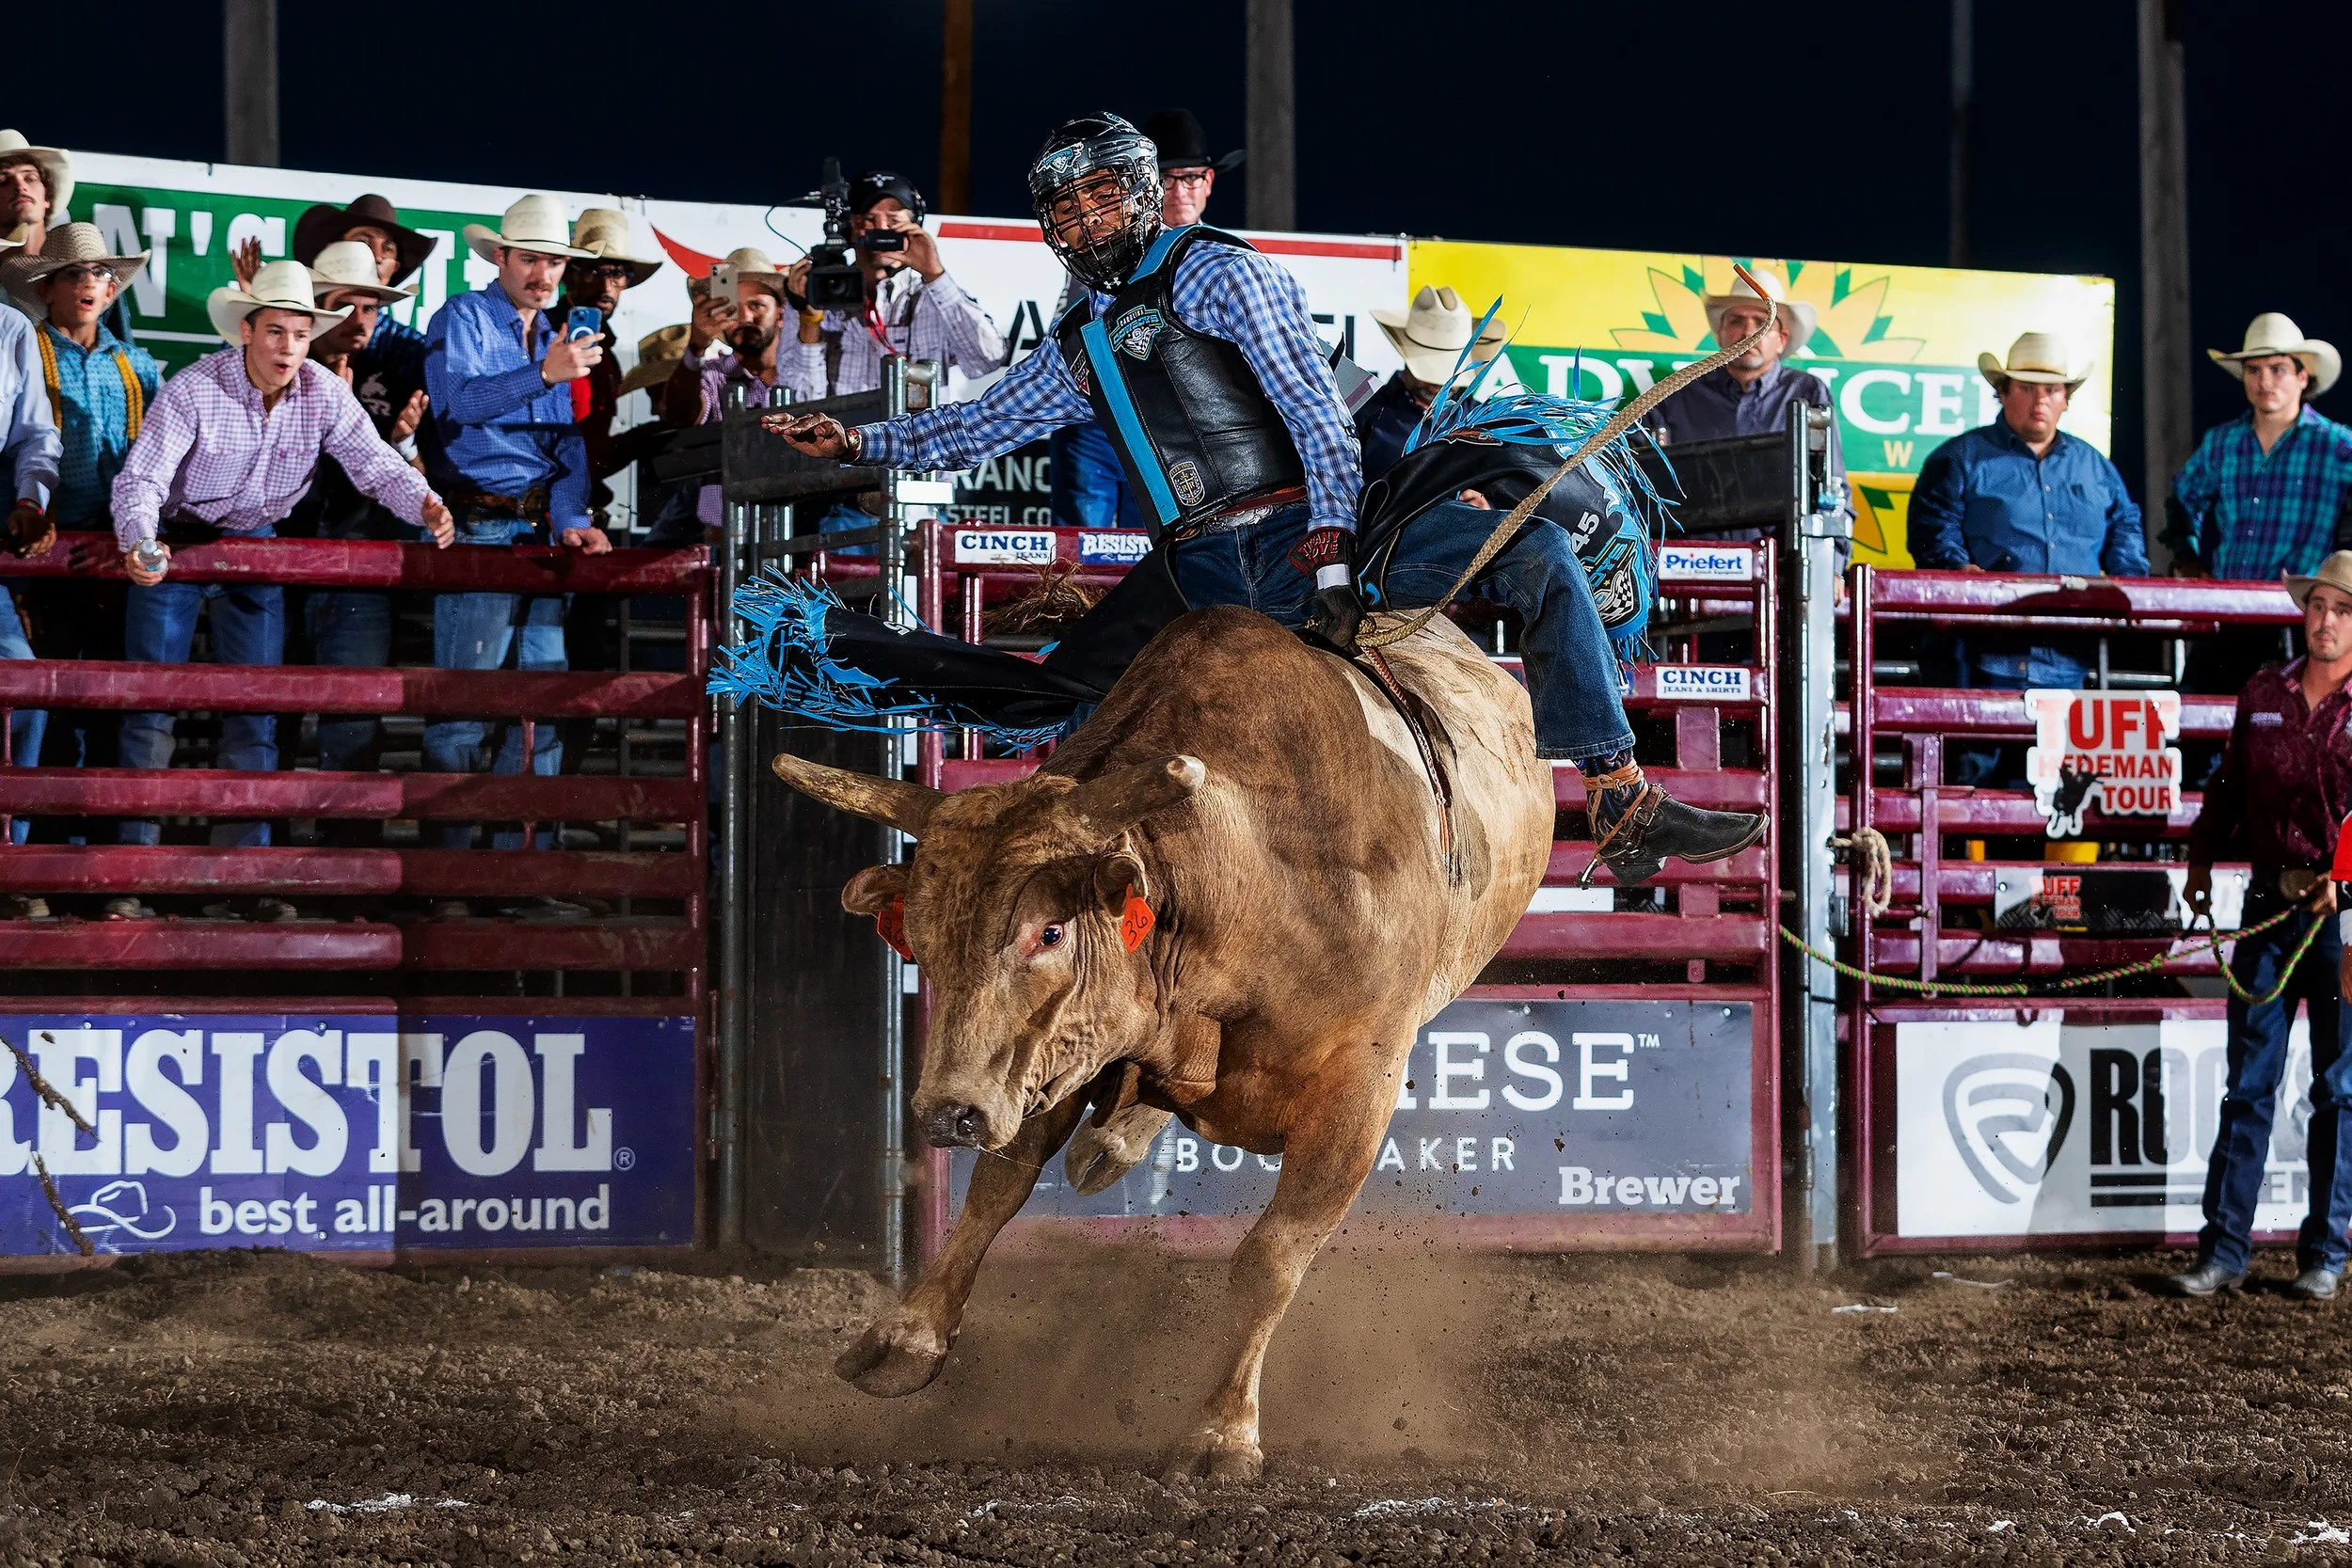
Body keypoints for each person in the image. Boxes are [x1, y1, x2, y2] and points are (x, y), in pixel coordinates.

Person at [768, 113, 1762, 884]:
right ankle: (827, 653)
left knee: (1536, 553)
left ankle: (1620, 795)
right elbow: (979, 425)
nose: (1083, 222)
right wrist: (859, 441)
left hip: (1300, 535)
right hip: (1194, 563)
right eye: (1065, 210)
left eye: (1101, 199)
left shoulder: (1218, 273)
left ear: (1146, 195)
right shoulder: (1082, 335)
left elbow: (1311, 411)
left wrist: (1331, 548)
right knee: (1059, 696)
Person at [108, 261, 452, 915]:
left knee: (257, 709)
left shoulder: (322, 391)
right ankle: (131, 872)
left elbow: (373, 461)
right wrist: (140, 540)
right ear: (246, 331)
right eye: (275, 332)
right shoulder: (193, 389)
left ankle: (249, 877)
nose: (288, 348)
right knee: (148, 703)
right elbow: (143, 479)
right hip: (175, 540)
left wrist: (424, 502)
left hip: (254, 541)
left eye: (299, 333)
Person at [2171, 550, 2352, 1301]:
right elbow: (2228, 788)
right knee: (2250, 1082)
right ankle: (2225, 1248)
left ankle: (2327, 1252)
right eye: (2318, 606)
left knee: (2341, 1089)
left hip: (2342, 919)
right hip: (2268, 908)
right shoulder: (2263, 691)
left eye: (2342, 610)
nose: (2326, 621)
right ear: (2302, 612)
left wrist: (2344, 882)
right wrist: (2203, 861)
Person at [421, 195, 607, 887]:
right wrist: (543, 374)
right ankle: (453, 883)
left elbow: (563, 446)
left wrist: (570, 518)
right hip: (480, 524)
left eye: (554, 259)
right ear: (500, 257)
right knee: (467, 710)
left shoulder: (554, 335)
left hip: (533, 530)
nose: (543, 272)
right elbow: (455, 406)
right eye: (530, 258)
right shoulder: (463, 317)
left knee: (543, 710)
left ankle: (517, 876)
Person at [1908, 331, 2146, 784]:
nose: (2041, 400)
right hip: (1978, 657)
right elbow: (1932, 528)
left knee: (2054, 790)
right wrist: (1957, 569)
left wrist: (2128, 577)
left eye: (2052, 389)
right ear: (2001, 392)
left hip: (2067, 657)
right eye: (2026, 387)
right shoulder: (1960, 458)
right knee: (1968, 783)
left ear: (2066, 399)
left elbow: (2125, 526)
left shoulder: (2094, 466)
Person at [0, 225, 157, 842]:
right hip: (46, 548)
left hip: (111, 550)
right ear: (46, 287)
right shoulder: (25, 346)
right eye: (75, 274)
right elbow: (29, 445)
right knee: (55, 696)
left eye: (99, 274)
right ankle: (45, 854)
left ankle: (94, 861)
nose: (90, 284)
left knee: (110, 701)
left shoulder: (136, 365)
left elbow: (156, 456)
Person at [285, 241, 438, 790]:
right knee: (266, 716)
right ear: (319, 309)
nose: (362, 318)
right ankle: (252, 862)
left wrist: (402, 442)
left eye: (372, 307)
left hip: (359, 568)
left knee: (353, 727)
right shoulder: (279, 366)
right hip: (281, 564)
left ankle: (348, 865)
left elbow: (424, 479)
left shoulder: (395, 374)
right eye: (349, 304)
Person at [1050, 108, 1243, 530]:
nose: (1179, 191)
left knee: (1167, 555)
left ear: (1208, 181)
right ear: (1145, 184)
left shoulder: (1226, 261)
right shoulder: (1101, 250)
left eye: (1190, 177)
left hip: (1181, 431)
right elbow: (1068, 340)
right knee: (1080, 557)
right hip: (1098, 421)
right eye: (1168, 178)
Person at [2166, 315, 2352, 693]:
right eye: (2254, 370)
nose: (2264, 381)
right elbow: (2182, 501)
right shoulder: (2221, 442)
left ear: (2304, 376)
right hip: (2228, 616)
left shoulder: (2338, 447)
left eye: (2277, 369)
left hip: (2298, 623)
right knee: (2194, 730)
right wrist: (2189, 560)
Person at [1642, 270, 1851, 540]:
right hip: (1685, 563)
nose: (1748, 332)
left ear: (1782, 340)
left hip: (1781, 567)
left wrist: (1831, 569)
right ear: (1720, 333)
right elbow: (1640, 485)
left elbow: (1831, 491)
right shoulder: (1676, 393)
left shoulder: (1808, 393)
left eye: (1762, 321)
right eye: (1737, 320)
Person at [779, 171, 1006, 404]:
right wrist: (809, 321)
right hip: (845, 437)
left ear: (915, 225)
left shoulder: (935, 295)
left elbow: (987, 360)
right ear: (850, 228)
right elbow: (801, 400)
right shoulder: (817, 294)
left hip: (918, 438)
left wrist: (935, 274)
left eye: (894, 220)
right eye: (869, 220)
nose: (882, 229)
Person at [0, 233, 59, 841]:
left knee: (25, 679)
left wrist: (29, 501)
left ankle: (8, 854)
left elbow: (36, 436)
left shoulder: (12, 332)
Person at [556, 208, 665, 505]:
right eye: (595, 272)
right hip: (536, 508)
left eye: (616, 274)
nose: (607, 287)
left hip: (576, 507)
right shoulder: (542, 338)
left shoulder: (609, 356)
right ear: (568, 276)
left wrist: (647, 438)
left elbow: (593, 448)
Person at [1355, 285, 1503, 484]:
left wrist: (1488, 503)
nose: (1439, 385)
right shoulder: (1363, 414)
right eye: (1431, 375)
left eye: (1450, 377)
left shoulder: (1484, 422)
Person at [0, 131, 70, 255]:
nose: (21, 186)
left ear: (47, 198)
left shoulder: (77, 271)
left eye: (30, 178)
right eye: (3, 181)